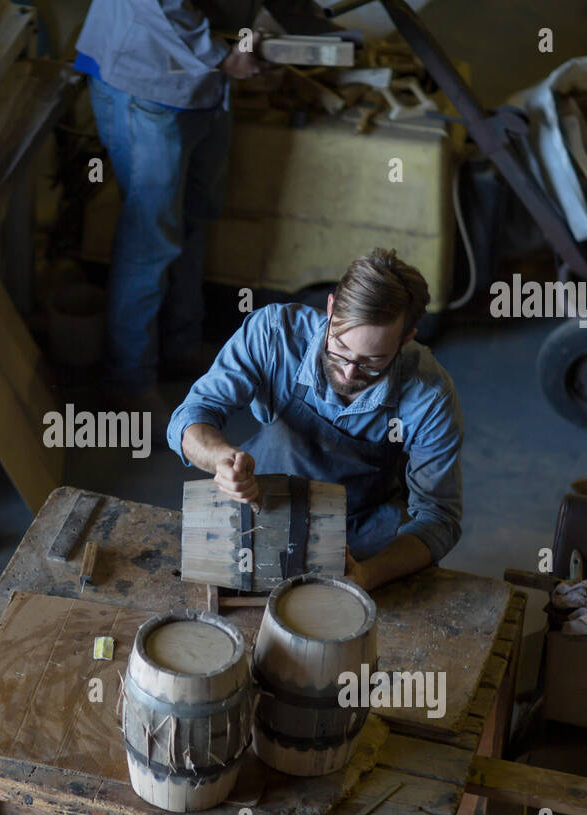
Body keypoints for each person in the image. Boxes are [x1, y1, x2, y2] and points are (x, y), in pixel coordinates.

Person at [168, 249, 463, 592]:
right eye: (339, 348)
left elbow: (439, 519)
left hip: (360, 527)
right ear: (330, 308)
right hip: (261, 501)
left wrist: (367, 575)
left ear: (406, 339)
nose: (349, 372)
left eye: (372, 361)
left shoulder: (430, 395)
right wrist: (221, 459)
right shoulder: (274, 334)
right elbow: (191, 415)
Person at [74, 0, 264, 423]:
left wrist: (308, 21)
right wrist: (226, 56)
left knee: (197, 217)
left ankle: (181, 348)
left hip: (202, 83)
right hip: (145, 77)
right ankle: (129, 382)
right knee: (151, 238)